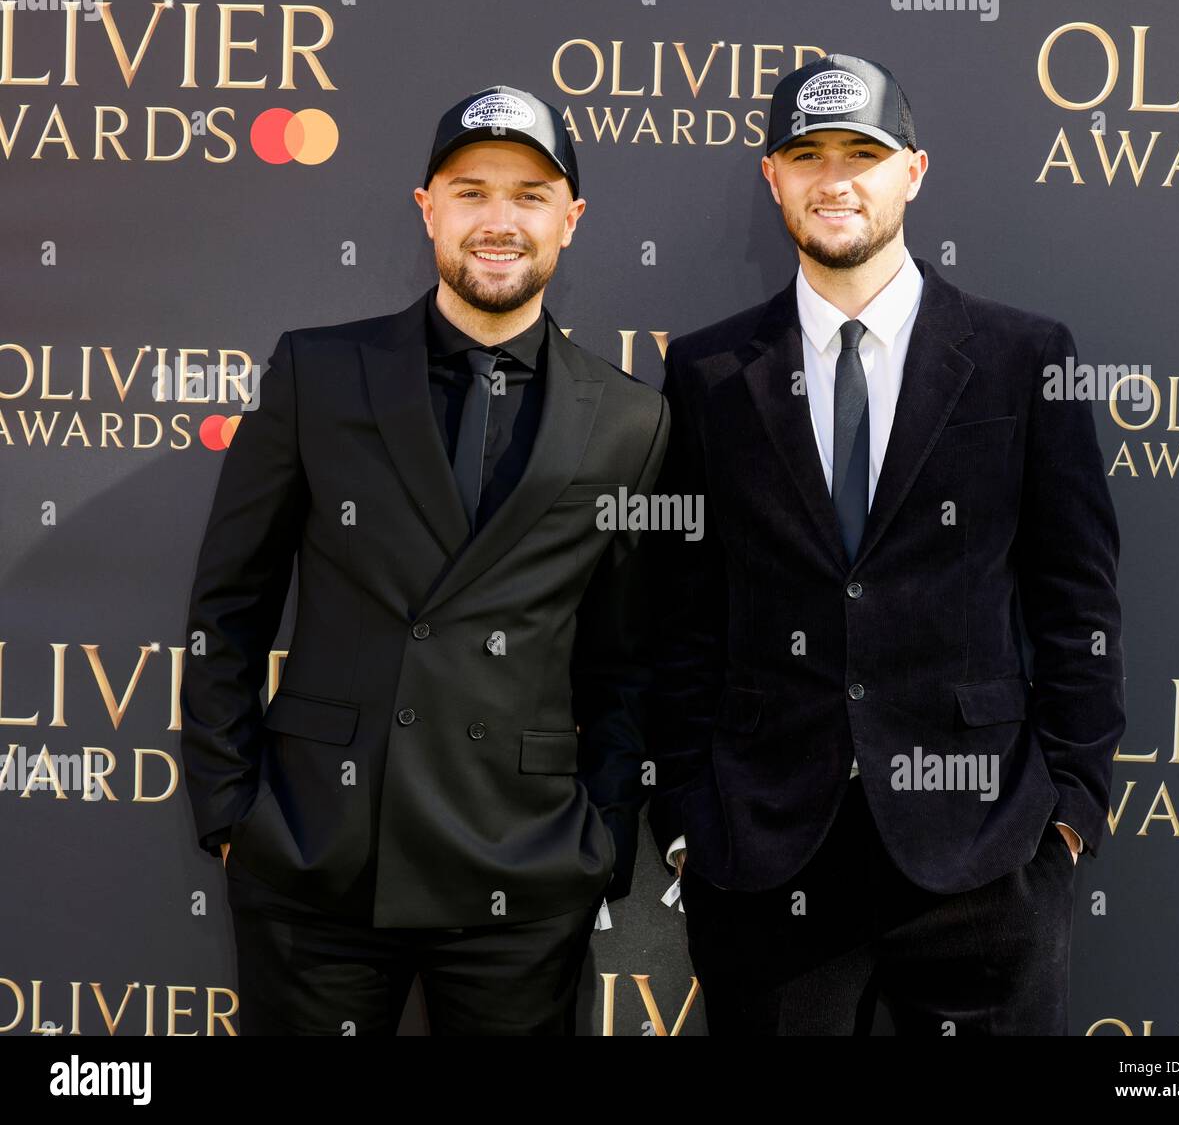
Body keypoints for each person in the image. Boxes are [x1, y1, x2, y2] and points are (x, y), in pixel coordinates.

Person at [646, 54, 1124, 1035]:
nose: (834, 179)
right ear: (770, 175)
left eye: (860, 153)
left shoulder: (1022, 358)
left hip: (986, 860)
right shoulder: (705, 371)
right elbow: (677, 612)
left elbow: (1075, 597)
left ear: (912, 170)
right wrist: (686, 819)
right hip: (766, 861)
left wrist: (1070, 806)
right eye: (806, 154)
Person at [180, 84, 669, 1035]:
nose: (498, 220)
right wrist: (234, 812)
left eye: (529, 194)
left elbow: (627, 659)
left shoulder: (630, 420)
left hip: (520, 875)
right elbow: (226, 610)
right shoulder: (318, 375)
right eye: (471, 189)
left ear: (570, 220)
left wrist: (601, 843)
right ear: (426, 208)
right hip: (318, 857)